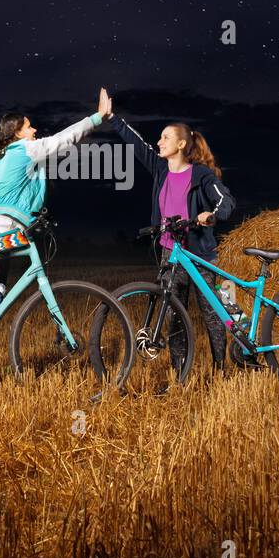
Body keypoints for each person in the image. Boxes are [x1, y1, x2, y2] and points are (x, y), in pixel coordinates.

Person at [0, 89, 114, 381]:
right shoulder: (22, 150)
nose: (34, 130)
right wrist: (97, 118)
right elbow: (62, 140)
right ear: (17, 133)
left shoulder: (4, 158)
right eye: (29, 126)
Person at [107, 100, 236, 375]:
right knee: (174, 314)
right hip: (170, 252)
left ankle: (220, 369)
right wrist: (112, 117)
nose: (159, 141)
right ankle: (180, 371)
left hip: (200, 254)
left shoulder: (200, 174)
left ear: (181, 144)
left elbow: (225, 200)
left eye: (166, 137)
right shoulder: (161, 169)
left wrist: (211, 216)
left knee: (211, 313)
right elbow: (137, 143)